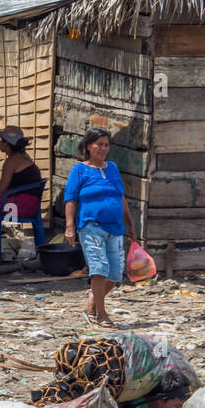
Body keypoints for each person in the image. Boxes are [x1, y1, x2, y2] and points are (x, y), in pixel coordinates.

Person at [63, 127, 137, 328]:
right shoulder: (80, 170)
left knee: (115, 274)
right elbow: (70, 199)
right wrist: (69, 226)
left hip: (115, 228)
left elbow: (120, 197)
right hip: (91, 226)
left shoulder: (112, 168)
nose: (103, 148)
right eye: (99, 144)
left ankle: (91, 305)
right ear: (88, 146)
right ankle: (101, 315)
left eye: (106, 145)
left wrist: (130, 224)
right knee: (99, 269)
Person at [0, 125, 44, 263]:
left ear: (7, 143)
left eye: (2, 141)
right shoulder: (23, 157)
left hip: (20, 206)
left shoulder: (11, 161)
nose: (0, 144)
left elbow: (1, 191)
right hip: (30, 205)